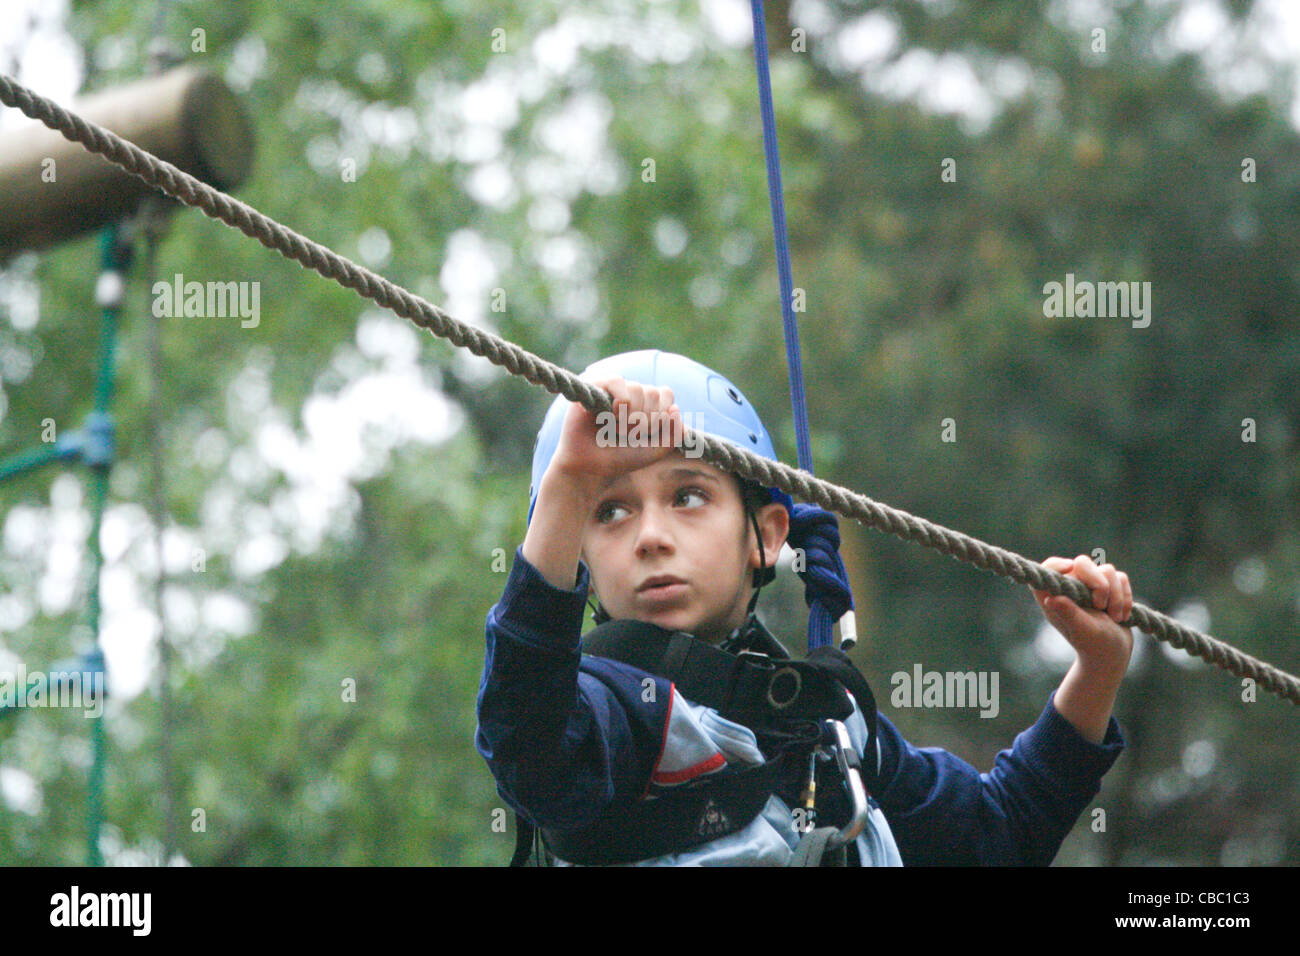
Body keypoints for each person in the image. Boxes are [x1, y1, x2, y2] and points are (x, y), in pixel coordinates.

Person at [476, 350, 1131, 866]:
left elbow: (994, 839)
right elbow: (527, 744)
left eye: (690, 496)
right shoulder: (604, 715)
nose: (651, 535)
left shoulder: (830, 729)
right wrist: (570, 485)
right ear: (581, 562)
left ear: (767, 534)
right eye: (611, 510)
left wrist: (1097, 669)